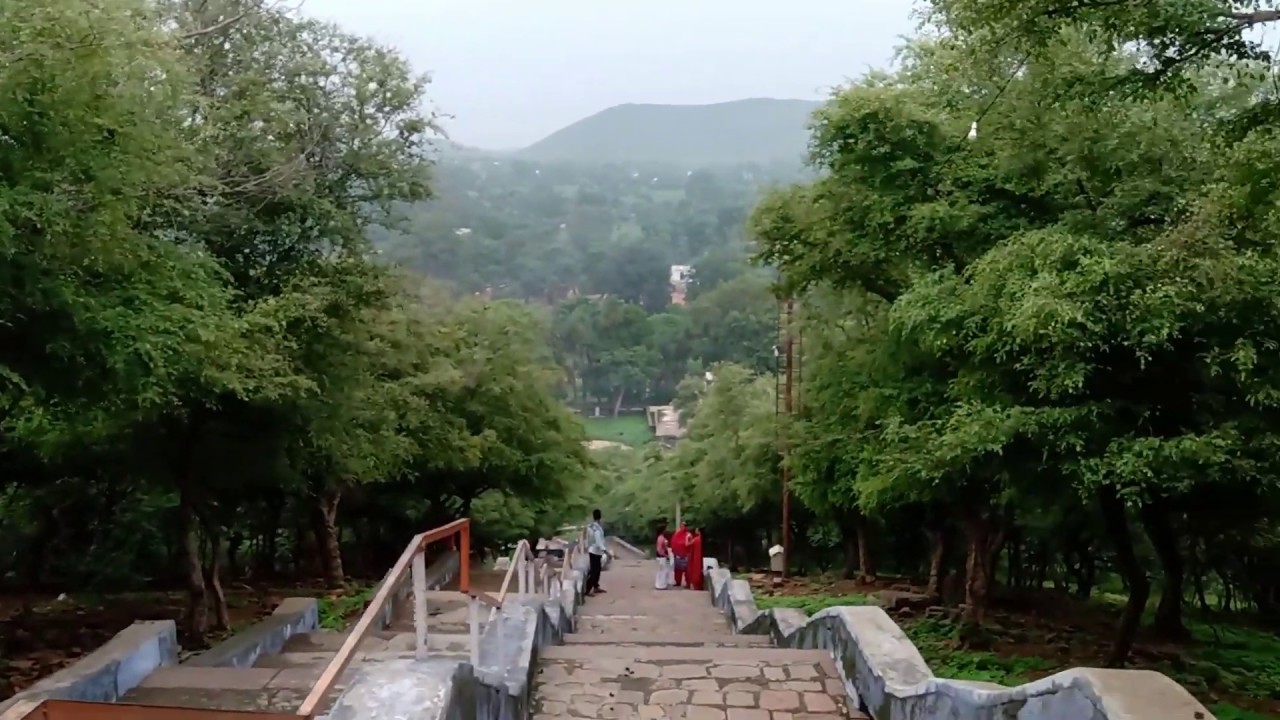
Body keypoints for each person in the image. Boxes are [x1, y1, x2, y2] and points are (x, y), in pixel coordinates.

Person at [585, 509, 607, 596]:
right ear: (600, 517)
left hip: (593, 550)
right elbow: (598, 541)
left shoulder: (591, 526)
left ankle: (595, 586)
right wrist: (604, 550)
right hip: (595, 551)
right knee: (594, 571)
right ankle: (588, 590)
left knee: (597, 570)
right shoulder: (597, 528)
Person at [671, 521, 691, 589]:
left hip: (685, 555)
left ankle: (688, 583)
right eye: (681, 526)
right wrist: (674, 551)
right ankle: (677, 582)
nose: (682, 527)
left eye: (684, 526)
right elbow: (673, 542)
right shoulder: (677, 534)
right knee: (677, 570)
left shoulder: (688, 535)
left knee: (686, 571)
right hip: (678, 555)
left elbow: (690, 544)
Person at [653, 522, 671, 590]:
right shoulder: (661, 538)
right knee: (663, 570)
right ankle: (661, 585)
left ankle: (661, 584)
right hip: (662, 557)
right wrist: (665, 555)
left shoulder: (660, 537)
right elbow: (659, 549)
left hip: (662, 556)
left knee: (662, 570)